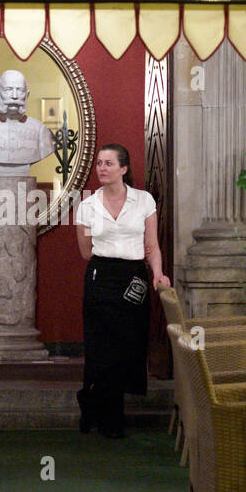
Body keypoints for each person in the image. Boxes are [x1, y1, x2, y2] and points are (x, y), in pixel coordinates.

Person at [74, 143, 170, 438]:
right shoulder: (87, 205)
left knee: (127, 347)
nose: (101, 168)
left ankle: (91, 402)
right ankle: (109, 417)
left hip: (134, 279)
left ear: (124, 169)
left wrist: (158, 274)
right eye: (99, 163)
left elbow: (151, 246)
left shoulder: (144, 201)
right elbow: (86, 251)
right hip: (100, 276)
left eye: (108, 163)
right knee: (101, 348)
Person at [0, 69, 55, 176]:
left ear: (27, 94)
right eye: (8, 89)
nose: (14, 96)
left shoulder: (40, 130)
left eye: (20, 90)